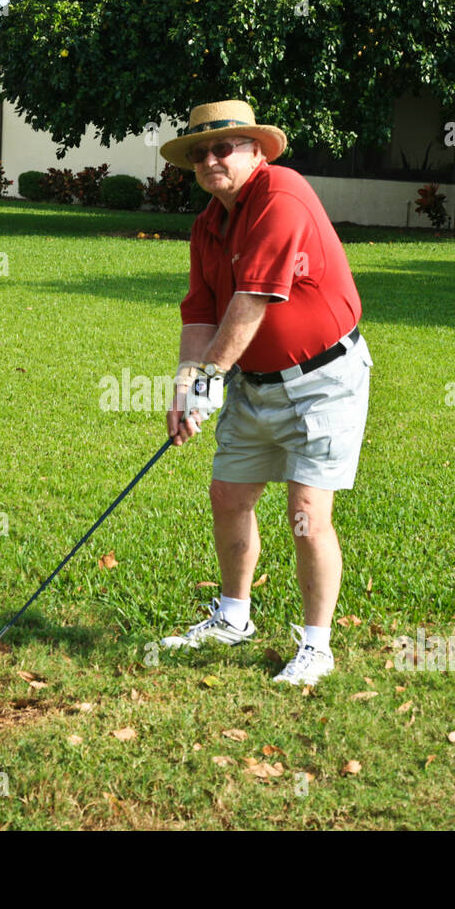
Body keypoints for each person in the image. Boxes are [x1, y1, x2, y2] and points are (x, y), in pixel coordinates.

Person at [158, 100, 371, 686]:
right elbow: (202, 310)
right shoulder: (209, 222)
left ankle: (317, 646)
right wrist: (185, 384)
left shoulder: (283, 195)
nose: (209, 159)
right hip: (253, 384)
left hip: (323, 382)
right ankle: (233, 618)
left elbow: (252, 299)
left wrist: (207, 381)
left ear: (256, 150)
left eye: (223, 147)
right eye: (199, 153)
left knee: (306, 514)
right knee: (228, 494)